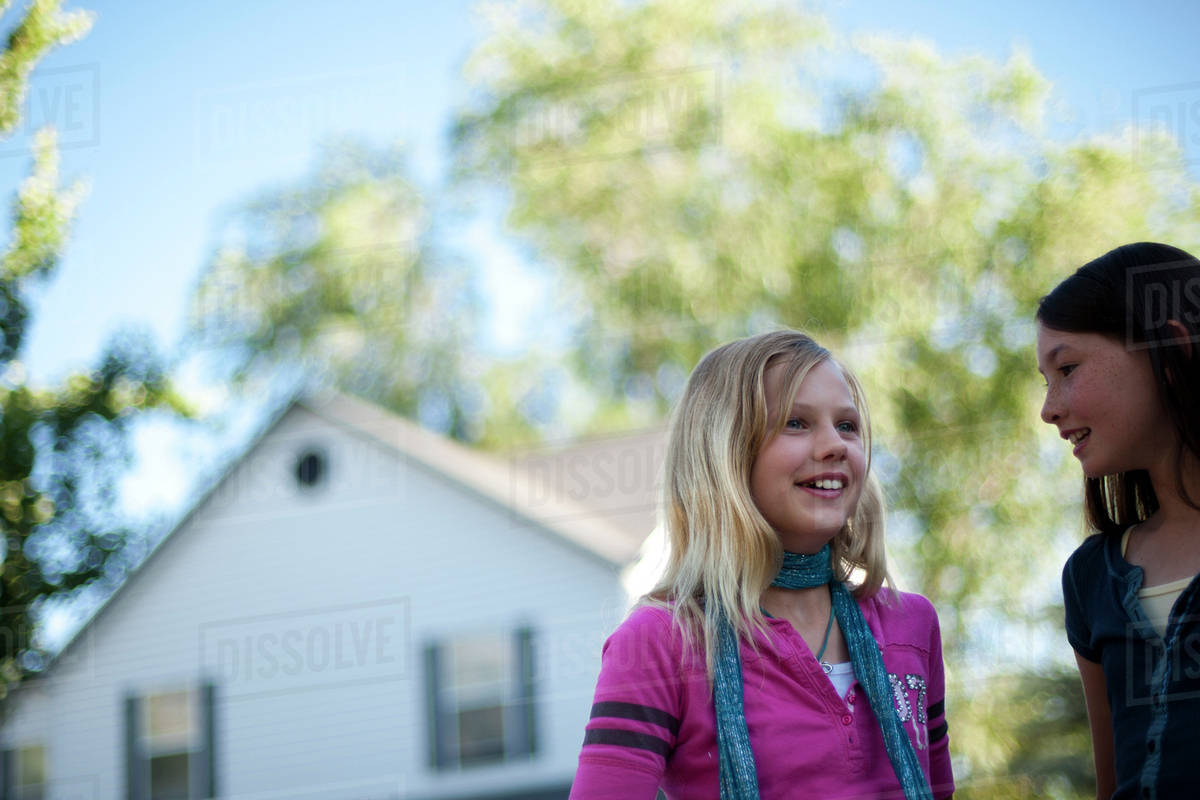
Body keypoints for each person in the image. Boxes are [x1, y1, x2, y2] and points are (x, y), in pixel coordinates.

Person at [570, 330, 953, 799]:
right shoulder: (660, 643)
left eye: (847, 425)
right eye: (796, 422)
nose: (835, 445)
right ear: (726, 454)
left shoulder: (911, 623)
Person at [1038, 242, 1200, 799]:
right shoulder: (1090, 577)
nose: (1049, 408)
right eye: (1045, 380)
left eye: (1067, 368)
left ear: (1171, 350)